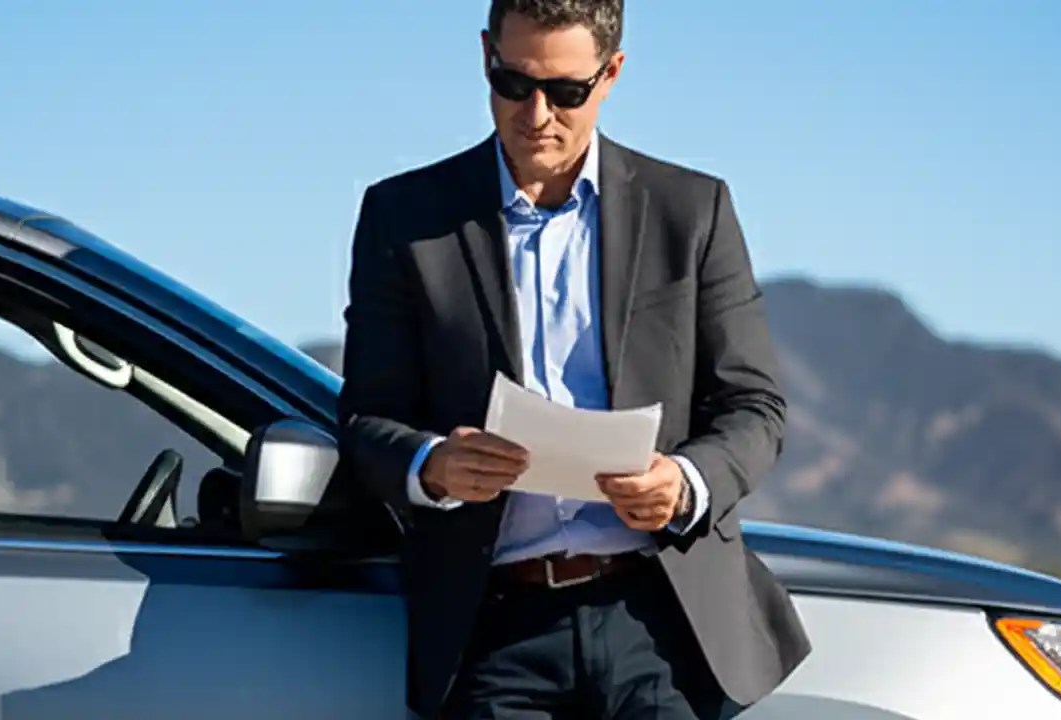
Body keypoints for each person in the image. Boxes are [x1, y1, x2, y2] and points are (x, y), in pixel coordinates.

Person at [336, 1, 810, 717]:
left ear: (611, 74)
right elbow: (366, 415)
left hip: (662, 620)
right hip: (493, 629)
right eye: (512, 82)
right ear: (486, 56)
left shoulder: (692, 210)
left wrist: (684, 482)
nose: (535, 114)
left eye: (564, 92)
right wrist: (430, 463)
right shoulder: (404, 220)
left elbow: (756, 407)